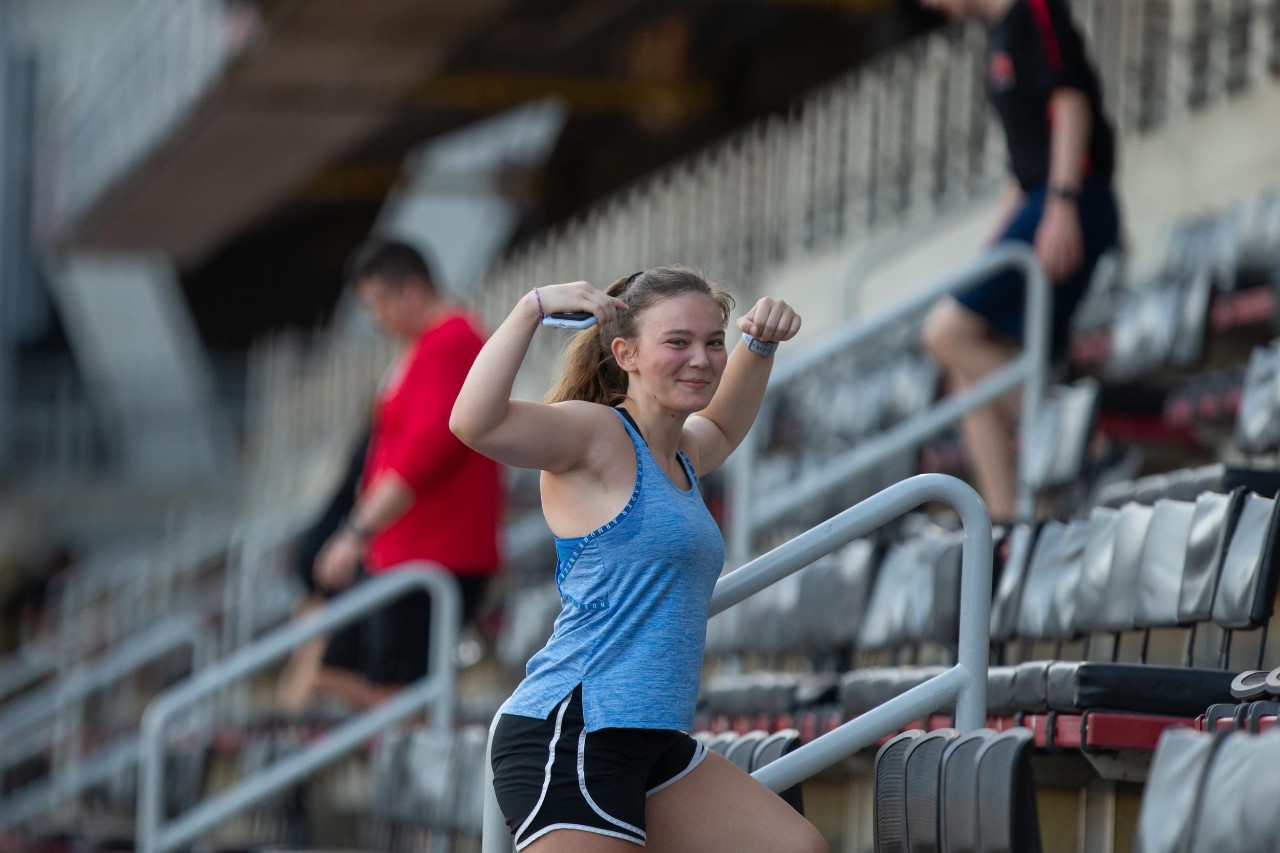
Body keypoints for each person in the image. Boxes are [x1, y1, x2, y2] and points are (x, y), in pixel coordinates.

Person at [451, 268, 827, 852]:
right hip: (576, 730)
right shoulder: (597, 434)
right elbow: (474, 422)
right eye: (677, 342)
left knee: (794, 847)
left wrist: (759, 345)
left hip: (653, 741)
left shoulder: (681, 452)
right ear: (624, 353)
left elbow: (724, 425)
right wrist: (531, 309)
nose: (701, 358)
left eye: (712, 341)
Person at [920, 0, 1122, 522]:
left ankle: (1097, 452)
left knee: (945, 332)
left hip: (1075, 200)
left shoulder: (1035, 10)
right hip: (1041, 203)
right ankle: (1005, 526)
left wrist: (1062, 201)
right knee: (967, 367)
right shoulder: (996, 37)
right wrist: (987, 258)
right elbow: (1022, 165)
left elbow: (1072, 102)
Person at [295, 238, 503, 711]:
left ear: (409, 292)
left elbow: (424, 454)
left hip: (433, 550)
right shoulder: (424, 347)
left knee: (400, 692)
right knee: (341, 672)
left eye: (376, 303)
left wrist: (354, 532)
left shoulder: (451, 342)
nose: (373, 318)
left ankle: (424, 777)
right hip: (403, 548)